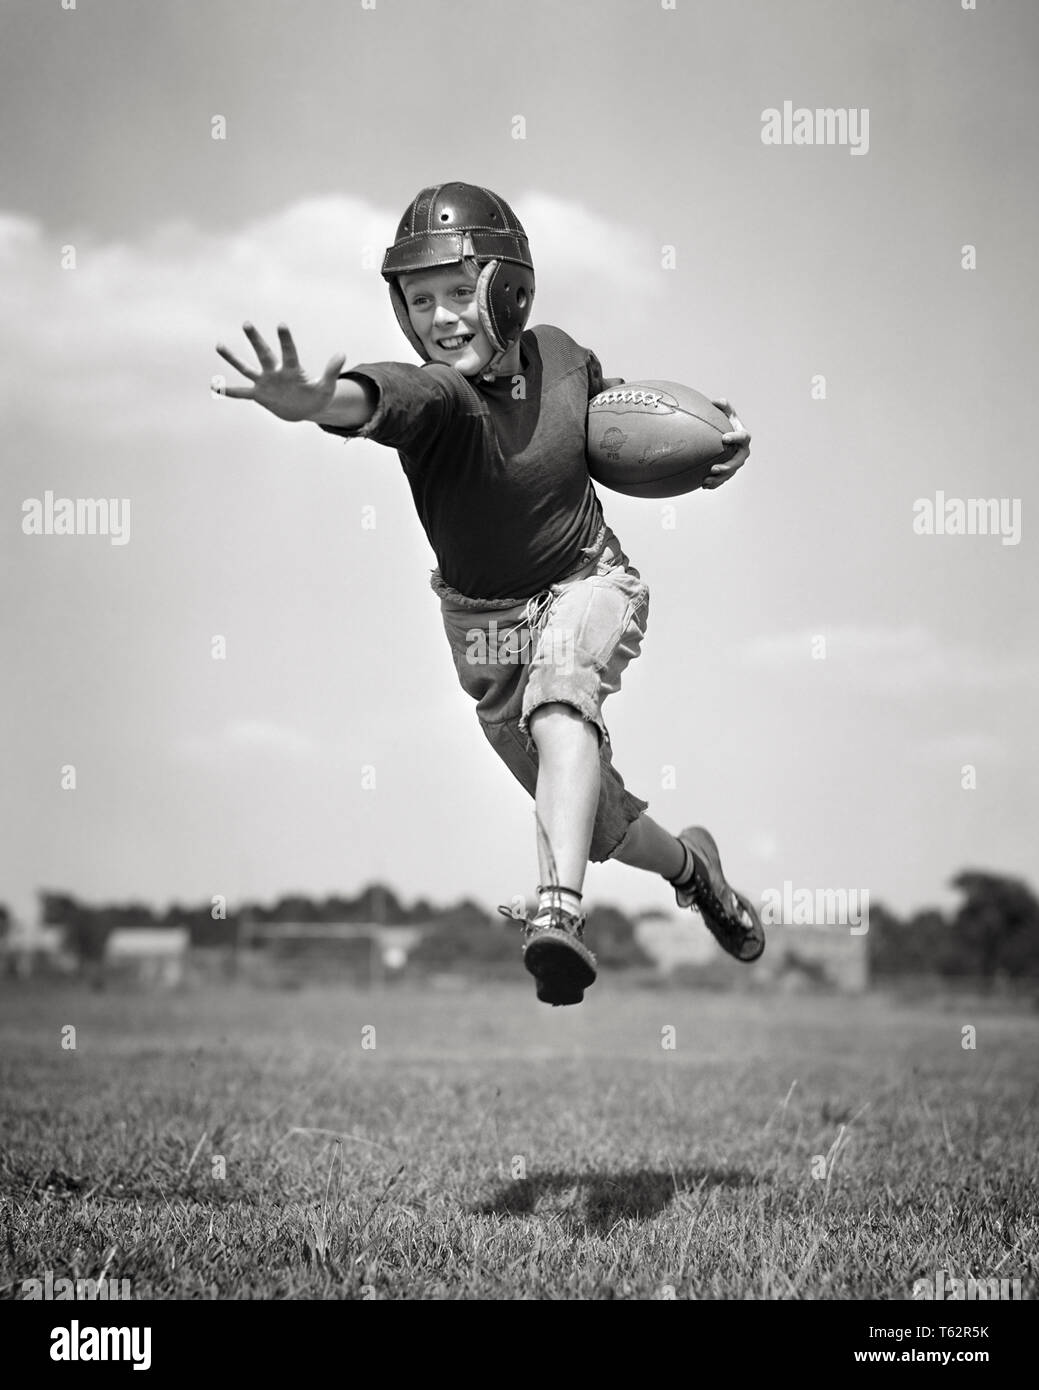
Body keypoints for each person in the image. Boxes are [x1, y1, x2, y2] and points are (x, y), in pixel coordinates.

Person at [215, 181, 765, 1007]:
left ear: (507, 284)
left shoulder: (563, 355)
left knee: (561, 703)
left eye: (457, 292)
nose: (440, 317)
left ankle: (557, 915)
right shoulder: (439, 400)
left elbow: (628, 420)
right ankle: (697, 874)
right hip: (485, 634)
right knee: (603, 822)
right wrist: (312, 405)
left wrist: (711, 441)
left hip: (588, 579)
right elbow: (376, 393)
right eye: (419, 300)